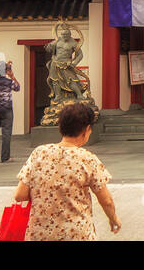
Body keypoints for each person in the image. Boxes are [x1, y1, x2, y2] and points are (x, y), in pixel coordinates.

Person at [14, 103, 120, 241]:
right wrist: (113, 219)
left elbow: (20, 195)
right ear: (86, 130)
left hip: (40, 235)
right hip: (76, 234)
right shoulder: (87, 159)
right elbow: (106, 201)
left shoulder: (39, 153)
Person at [0, 62, 21, 164]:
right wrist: (12, 76)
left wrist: (3, 68)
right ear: (6, 71)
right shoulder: (9, 81)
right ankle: (5, 158)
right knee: (6, 134)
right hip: (7, 110)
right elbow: (18, 88)